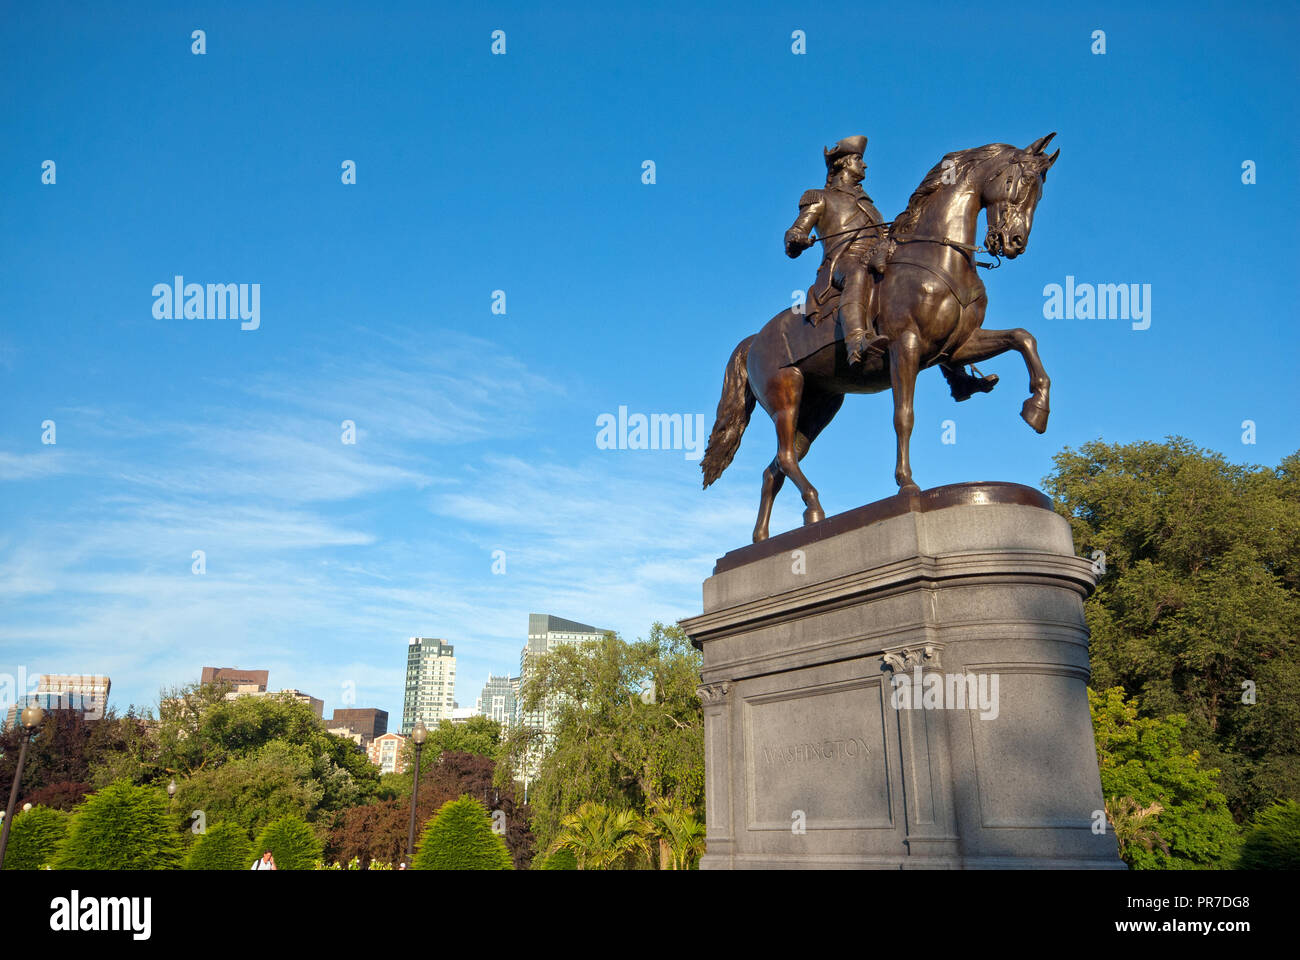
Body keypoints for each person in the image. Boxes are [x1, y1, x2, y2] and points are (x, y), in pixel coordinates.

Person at [785, 135, 892, 365]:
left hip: (876, 258)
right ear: (843, 163)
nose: (864, 164)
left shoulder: (869, 206)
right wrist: (797, 239)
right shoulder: (819, 197)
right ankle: (856, 342)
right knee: (856, 273)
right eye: (858, 159)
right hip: (843, 263)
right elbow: (794, 232)